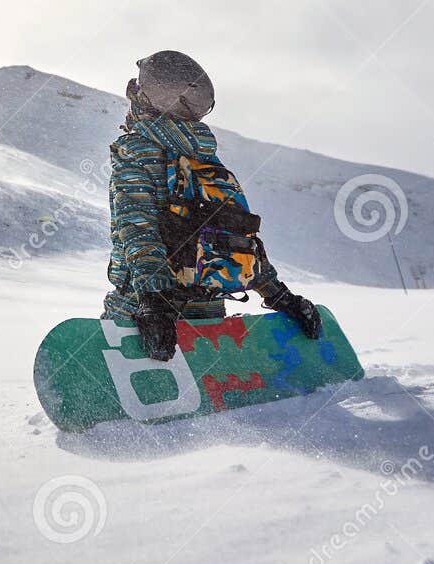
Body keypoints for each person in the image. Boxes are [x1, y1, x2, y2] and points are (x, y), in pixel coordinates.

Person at [104, 50, 322, 361]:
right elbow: (236, 236)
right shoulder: (205, 158)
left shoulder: (135, 152)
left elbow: (138, 230)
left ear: (149, 94)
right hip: (208, 312)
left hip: (144, 311)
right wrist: (280, 296)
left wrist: (153, 302)